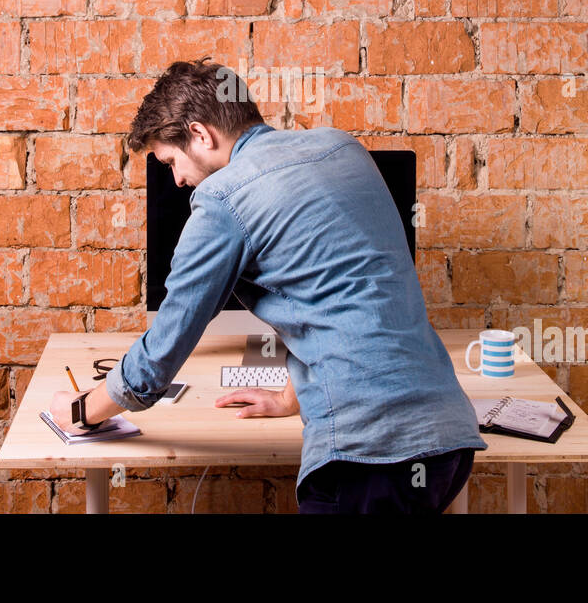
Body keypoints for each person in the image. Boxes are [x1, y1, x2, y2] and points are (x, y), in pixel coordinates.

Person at [47, 57, 485, 513]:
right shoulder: (343, 148)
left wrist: (81, 411)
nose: (175, 179)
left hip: (371, 456)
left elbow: (163, 348)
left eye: (171, 160)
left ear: (200, 134)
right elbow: (341, 294)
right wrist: (288, 397)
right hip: (447, 438)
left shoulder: (223, 198)